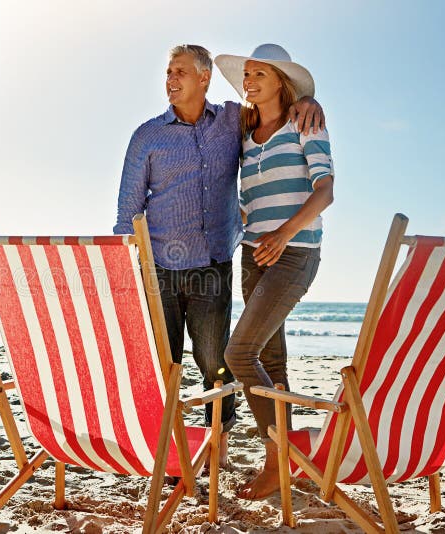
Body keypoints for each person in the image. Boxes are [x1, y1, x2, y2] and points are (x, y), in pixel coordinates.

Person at [114, 44, 324, 467]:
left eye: (179, 72)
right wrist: (130, 272)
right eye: (167, 72)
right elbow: (127, 212)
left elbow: (273, 106)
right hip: (159, 267)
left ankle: (219, 443)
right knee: (165, 362)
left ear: (204, 77)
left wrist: (307, 99)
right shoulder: (147, 135)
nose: (170, 80)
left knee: (216, 361)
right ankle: (171, 449)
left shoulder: (232, 120)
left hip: (213, 264)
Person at [214, 43, 334, 497]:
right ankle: (276, 464)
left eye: (259, 73)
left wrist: (283, 234)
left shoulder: (305, 122)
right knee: (269, 358)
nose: (248, 80)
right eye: (246, 73)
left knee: (238, 354)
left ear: (282, 82)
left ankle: (283, 450)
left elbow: (325, 191)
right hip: (253, 254)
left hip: (296, 250)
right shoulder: (244, 132)